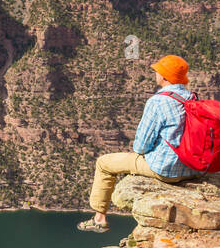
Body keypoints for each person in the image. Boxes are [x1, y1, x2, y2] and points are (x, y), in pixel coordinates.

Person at [78, 55, 197, 232]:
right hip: (193, 167)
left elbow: (140, 146)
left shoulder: (158, 101)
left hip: (165, 169)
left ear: (164, 76)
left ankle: (99, 218)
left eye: (158, 71)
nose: (155, 73)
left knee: (103, 163)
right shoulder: (193, 98)